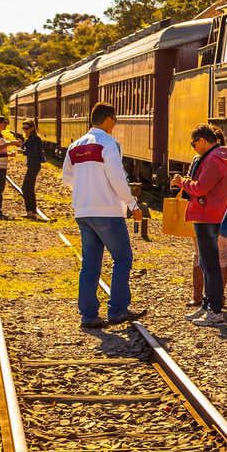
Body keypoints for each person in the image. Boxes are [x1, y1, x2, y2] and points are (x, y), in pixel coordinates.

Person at [61, 103, 146, 329]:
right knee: (122, 258)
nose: (115, 125)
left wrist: (86, 190)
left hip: (83, 211)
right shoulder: (108, 143)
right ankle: (117, 310)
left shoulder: (75, 146)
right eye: (115, 120)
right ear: (108, 119)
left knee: (90, 263)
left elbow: (67, 178)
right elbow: (118, 178)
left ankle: (88, 315)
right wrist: (132, 204)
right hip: (107, 212)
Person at [171, 124, 227, 326]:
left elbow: (200, 188)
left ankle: (215, 310)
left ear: (201, 140)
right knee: (208, 264)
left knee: (210, 265)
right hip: (211, 215)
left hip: (208, 216)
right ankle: (207, 305)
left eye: (193, 144)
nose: (194, 148)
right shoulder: (219, 156)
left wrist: (182, 182)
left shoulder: (214, 160)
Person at [16, 120, 44, 219]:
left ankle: (31, 212)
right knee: (28, 188)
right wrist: (22, 144)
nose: (25, 130)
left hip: (34, 165)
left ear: (32, 128)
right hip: (32, 165)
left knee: (26, 188)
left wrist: (23, 152)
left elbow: (34, 153)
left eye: (26, 128)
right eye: (23, 128)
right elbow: (27, 148)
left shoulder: (36, 139)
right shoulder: (30, 138)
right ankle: (31, 212)